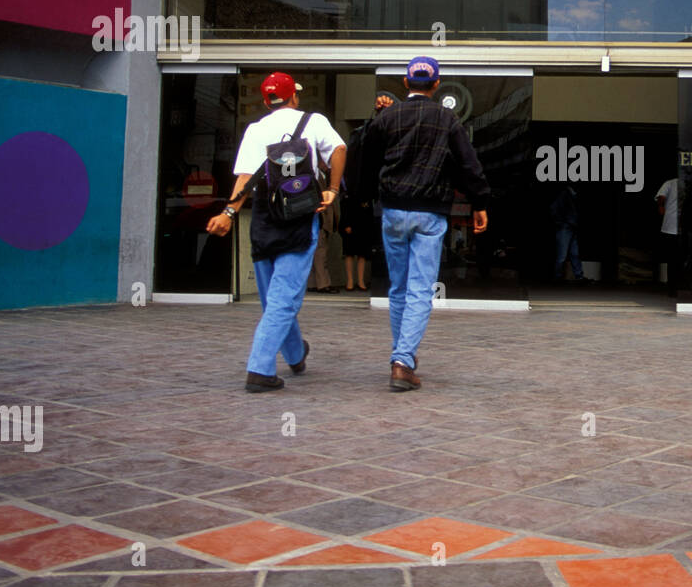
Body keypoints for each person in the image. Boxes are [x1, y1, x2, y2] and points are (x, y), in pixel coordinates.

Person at [207, 72, 345, 393]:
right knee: (284, 299)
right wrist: (333, 189)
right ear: (294, 97)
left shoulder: (256, 129)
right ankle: (259, 368)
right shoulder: (314, 122)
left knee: (274, 300)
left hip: (264, 218)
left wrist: (228, 213)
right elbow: (339, 149)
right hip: (300, 214)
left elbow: (244, 179)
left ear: (267, 100)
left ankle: (296, 354)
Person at [358, 58, 489, 391]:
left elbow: (366, 161)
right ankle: (402, 361)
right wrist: (480, 202)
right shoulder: (447, 120)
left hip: (392, 211)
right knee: (419, 290)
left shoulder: (388, 117)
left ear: (405, 83)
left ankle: (404, 357)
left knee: (398, 288)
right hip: (429, 213)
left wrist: (363, 199)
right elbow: (469, 165)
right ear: (435, 85)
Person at [550, 184, 588, 283]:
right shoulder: (565, 194)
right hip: (565, 227)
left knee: (575, 254)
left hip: (571, 227)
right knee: (562, 255)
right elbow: (554, 209)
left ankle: (579, 276)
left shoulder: (572, 195)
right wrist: (562, 223)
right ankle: (557, 277)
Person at [654, 177, 679, 294]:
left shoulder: (670, 183)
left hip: (670, 226)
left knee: (672, 259)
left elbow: (661, 197)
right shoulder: (672, 183)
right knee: (678, 258)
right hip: (674, 226)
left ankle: (673, 288)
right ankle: (676, 286)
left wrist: (661, 207)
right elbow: (661, 198)